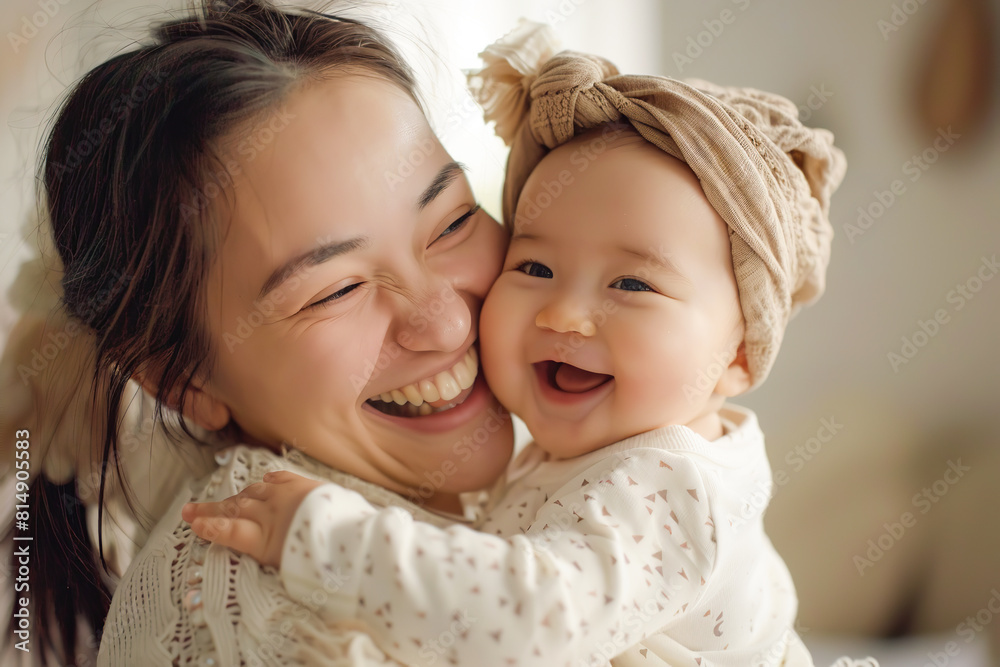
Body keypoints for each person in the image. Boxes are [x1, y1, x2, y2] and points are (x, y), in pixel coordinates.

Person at [182, 20, 866, 667]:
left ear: (741, 353)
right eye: (534, 268)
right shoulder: (597, 448)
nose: (565, 314)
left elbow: (531, 624)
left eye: (632, 283)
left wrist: (328, 540)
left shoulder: (671, 486)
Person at [1, 1, 521, 665]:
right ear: (185, 383)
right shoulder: (259, 620)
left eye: (452, 222)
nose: (446, 322)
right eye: (336, 290)